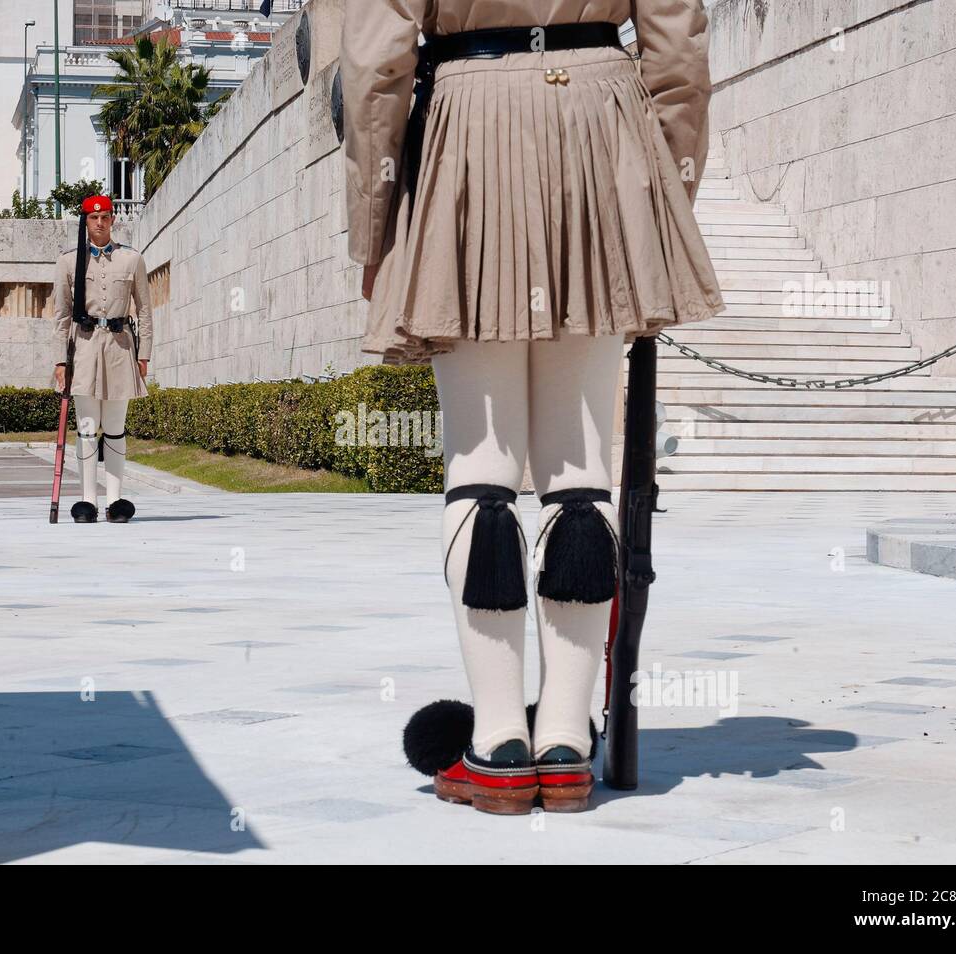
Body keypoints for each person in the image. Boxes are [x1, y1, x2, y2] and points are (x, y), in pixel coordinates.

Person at [341, 1, 726, 813]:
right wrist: (665, 194)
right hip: (598, 124)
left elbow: (377, 64)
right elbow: (677, 47)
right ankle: (564, 737)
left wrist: (373, 229)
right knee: (579, 466)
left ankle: (496, 742)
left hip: (470, 128)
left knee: (481, 470)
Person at [51, 194, 152, 523]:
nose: (99, 223)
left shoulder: (132, 259)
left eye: (105, 217)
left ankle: (116, 500)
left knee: (115, 427)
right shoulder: (69, 262)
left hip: (121, 349)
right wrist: (60, 361)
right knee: (86, 426)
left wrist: (145, 354)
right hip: (85, 348)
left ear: (112, 220)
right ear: (85, 221)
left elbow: (146, 312)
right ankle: (87, 501)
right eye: (94, 218)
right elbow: (62, 316)